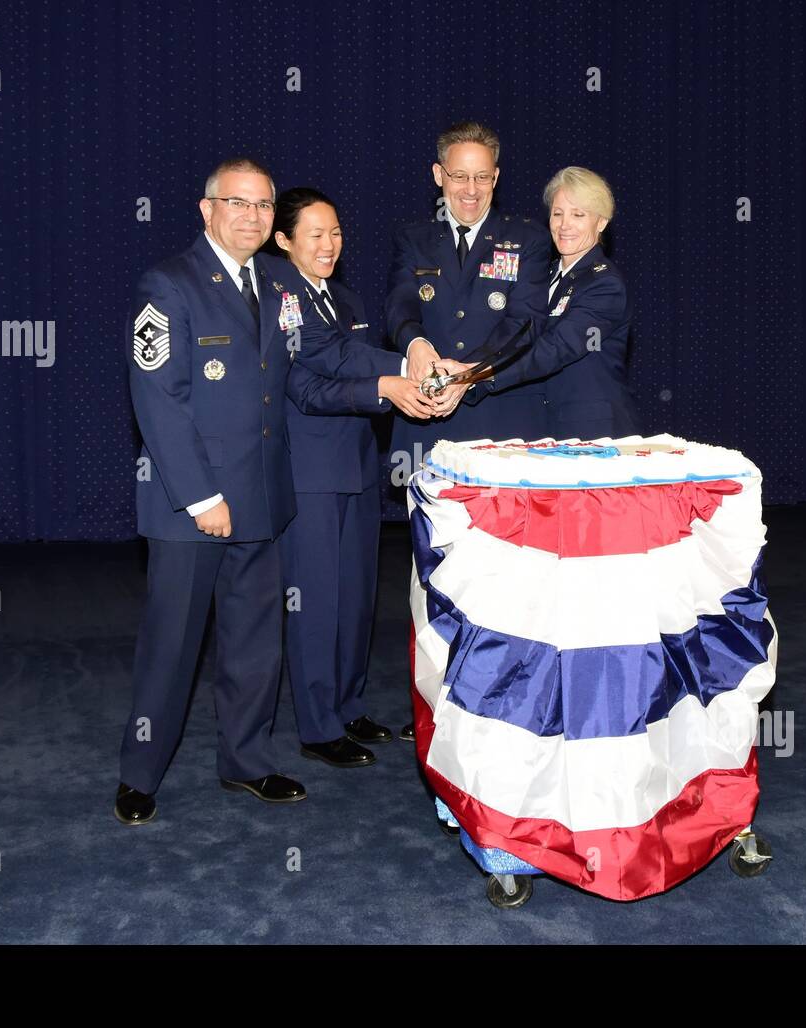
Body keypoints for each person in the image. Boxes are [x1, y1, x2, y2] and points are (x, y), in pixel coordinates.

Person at [115, 158, 410, 826]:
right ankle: (139, 774)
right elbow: (158, 400)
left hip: (265, 498)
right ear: (207, 207)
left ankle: (246, 762)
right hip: (194, 507)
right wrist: (201, 498)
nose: (250, 216)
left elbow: (322, 359)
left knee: (254, 644)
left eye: (261, 205)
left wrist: (403, 368)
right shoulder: (167, 284)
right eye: (237, 203)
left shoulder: (280, 284)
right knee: (173, 645)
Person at [384, 120, 553, 740]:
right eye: (460, 176)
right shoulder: (414, 237)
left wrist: (470, 372)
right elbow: (399, 303)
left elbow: (528, 324)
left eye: (483, 176)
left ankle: (503, 708)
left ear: (497, 178)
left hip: (500, 425)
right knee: (434, 576)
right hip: (427, 428)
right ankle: (434, 712)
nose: (472, 189)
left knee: (504, 574)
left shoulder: (528, 242)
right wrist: (418, 343)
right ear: (439, 176)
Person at [268, 187, 440, 767]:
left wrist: (395, 380)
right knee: (314, 599)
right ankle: (318, 727)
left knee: (356, 597)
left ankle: (348, 704)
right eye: (314, 235)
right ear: (283, 240)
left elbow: (348, 358)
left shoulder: (342, 296)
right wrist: (399, 374)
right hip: (310, 470)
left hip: (360, 466)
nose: (329, 244)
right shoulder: (276, 295)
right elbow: (312, 381)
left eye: (336, 232)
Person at [464, 166, 639, 439]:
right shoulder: (543, 275)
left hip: (593, 433)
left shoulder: (605, 285)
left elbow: (555, 349)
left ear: (602, 222)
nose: (564, 224)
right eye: (557, 214)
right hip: (544, 426)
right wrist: (466, 364)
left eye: (578, 214)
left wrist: (479, 374)